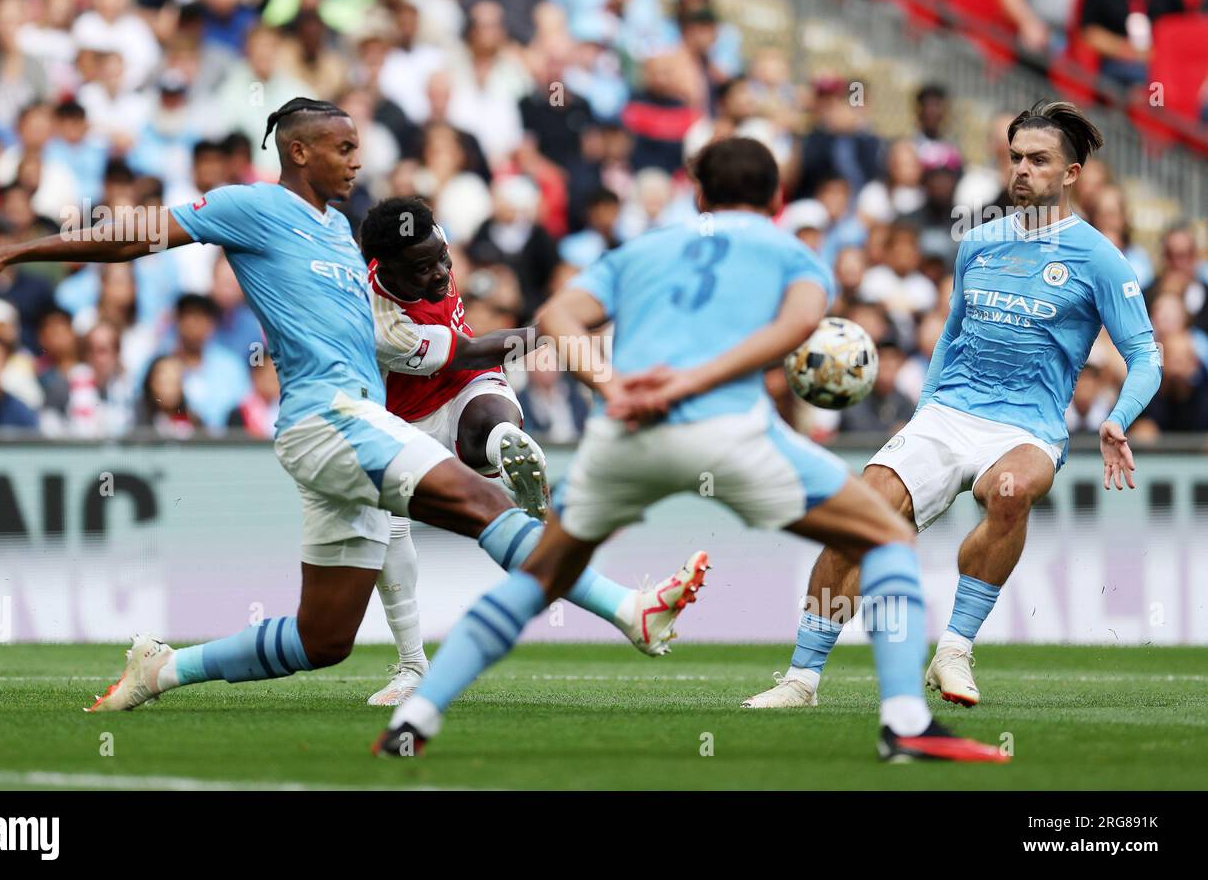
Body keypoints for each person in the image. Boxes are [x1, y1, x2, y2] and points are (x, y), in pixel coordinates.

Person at [0, 96, 697, 713]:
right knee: (478, 502)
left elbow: (417, 333)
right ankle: (630, 609)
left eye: (357, 147)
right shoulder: (252, 207)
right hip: (327, 418)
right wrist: (14, 252)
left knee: (324, 640)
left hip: (352, 427)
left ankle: (163, 669)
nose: (356, 160)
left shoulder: (342, 231)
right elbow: (135, 235)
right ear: (299, 152)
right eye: (342, 147)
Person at [376, 137, 1007, 763]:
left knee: (543, 573)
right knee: (886, 538)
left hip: (626, 434)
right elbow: (793, 329)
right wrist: (693, 382)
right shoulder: (795, 255)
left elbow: (559, 317)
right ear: (779, 197)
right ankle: (903, 722)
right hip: (732, 434)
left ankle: (419, 714)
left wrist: (613, 386)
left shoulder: (644, 249)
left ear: (698, 195)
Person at [758, 102, 1161, 711]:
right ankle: (800, 680)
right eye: (1016, 158)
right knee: (860, 514)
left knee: (1008, 492)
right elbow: (950, 334)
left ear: (1072, 174)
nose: (1022, 170)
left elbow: (1146, 354)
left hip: (1027, 426)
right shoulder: (977, 242)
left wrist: (1116, 418)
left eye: (1039, 160)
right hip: (947, 414)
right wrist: (924, 414)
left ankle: (953, 648)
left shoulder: (1099, 258)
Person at [359, 196, 690, 705]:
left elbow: (469, 363)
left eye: (442, 256)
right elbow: (470, 348)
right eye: (424, 269)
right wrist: (556, 333)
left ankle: (503, 449)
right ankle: (411, 666)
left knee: (488, 423)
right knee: (389, 535)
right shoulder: (384, 322)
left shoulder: (422, 236)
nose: (442, 272)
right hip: (405, 422)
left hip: (467, 385)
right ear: (388, 269)